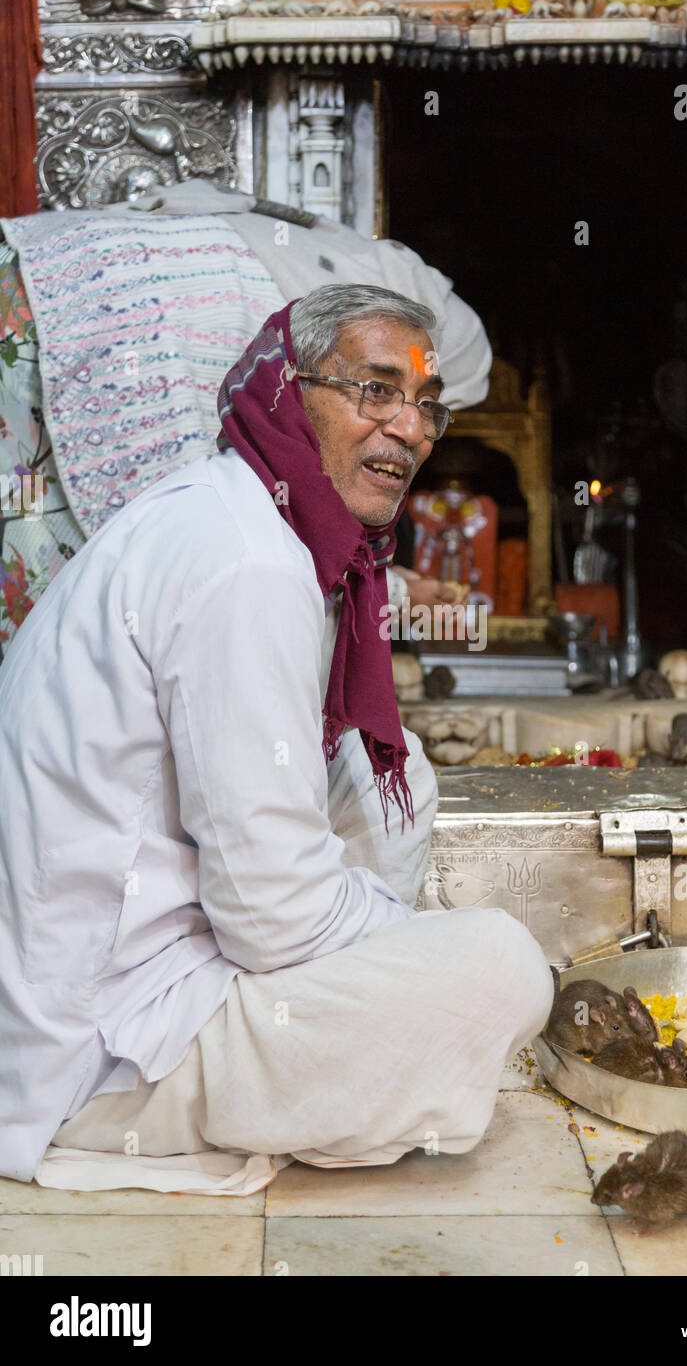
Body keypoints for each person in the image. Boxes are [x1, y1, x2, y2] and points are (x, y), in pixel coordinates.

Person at [0, 283, 551, 1191]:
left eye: (425, 404)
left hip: (138, 956)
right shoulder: (249, 566)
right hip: (98, 1048)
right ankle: (209, 1101)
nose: (409, 430)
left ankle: (353, 1029)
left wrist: (383, 950)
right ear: (289, 394)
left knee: (391, 774)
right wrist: (406, 949)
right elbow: (272, 918)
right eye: (374, 391)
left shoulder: (241, 517)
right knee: (503, 968)